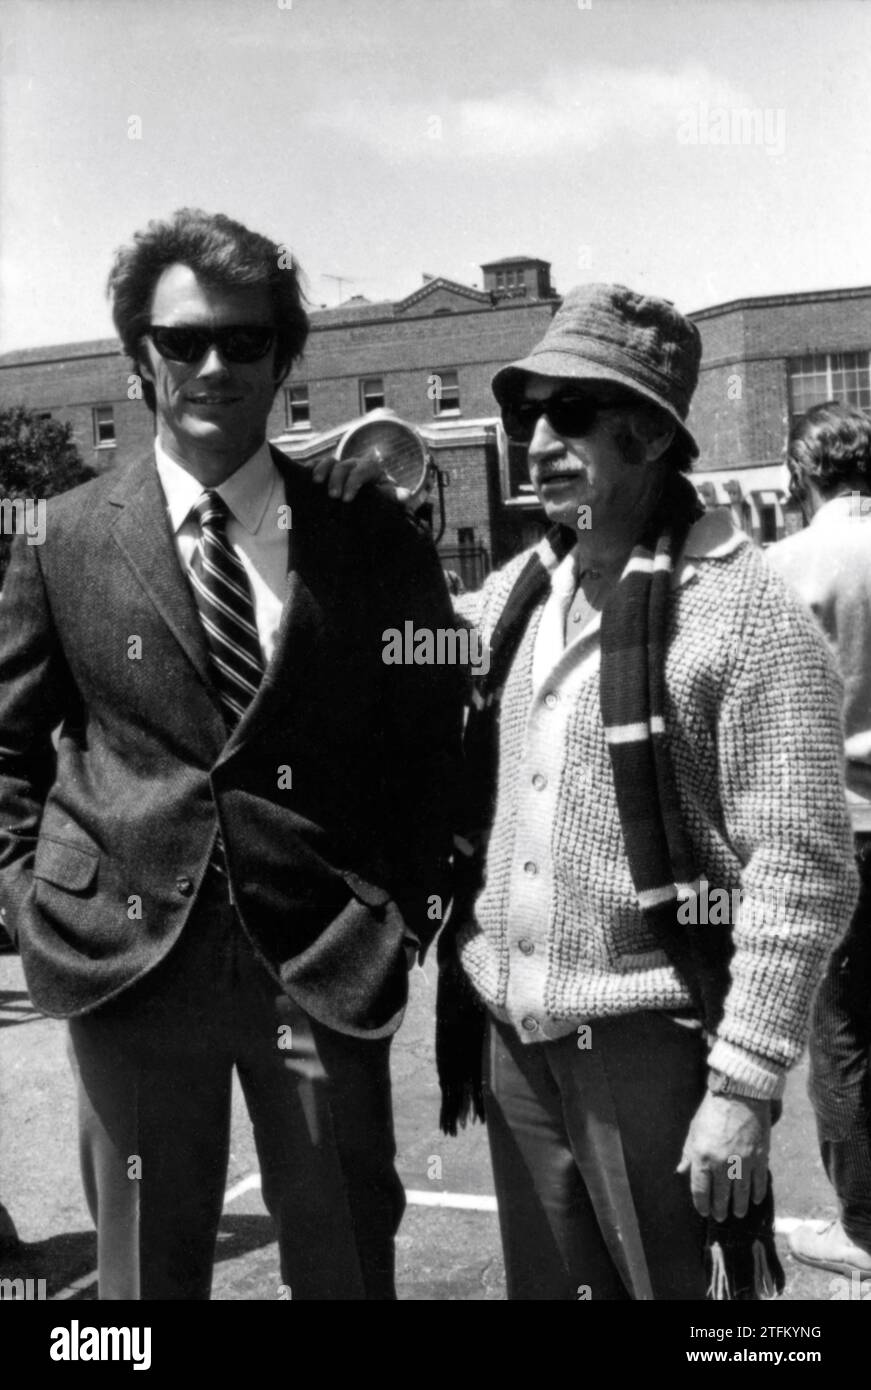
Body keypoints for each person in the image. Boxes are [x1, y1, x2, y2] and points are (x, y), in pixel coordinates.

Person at [324, 283, 859, 1299]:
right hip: (515, 1032)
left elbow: (801, 870)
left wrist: (742, 1085)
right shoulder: (527, 589)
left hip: (647, 1047)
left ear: (651, 435)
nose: (536, 442)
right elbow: (392, 665)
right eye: (529, 415)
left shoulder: (743, 612)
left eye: (572, 415)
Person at [0, 208, 462, 1300]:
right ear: (137, 360)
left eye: (245, 341)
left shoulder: (368, 536)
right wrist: (25, 893)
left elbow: (434, 737)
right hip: (123, 956)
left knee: (346, 1263)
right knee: (138, 1289)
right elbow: (7, 741)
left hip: (320, 954)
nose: (214, 364)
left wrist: (398, 908)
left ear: (283, 358)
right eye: (182, 342)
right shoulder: (58, 535)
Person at [767, 401, 871, 1281]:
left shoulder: (785, 566)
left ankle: (864, 1230)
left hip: (839, 828)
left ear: (801, 472)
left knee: (839, 1034)